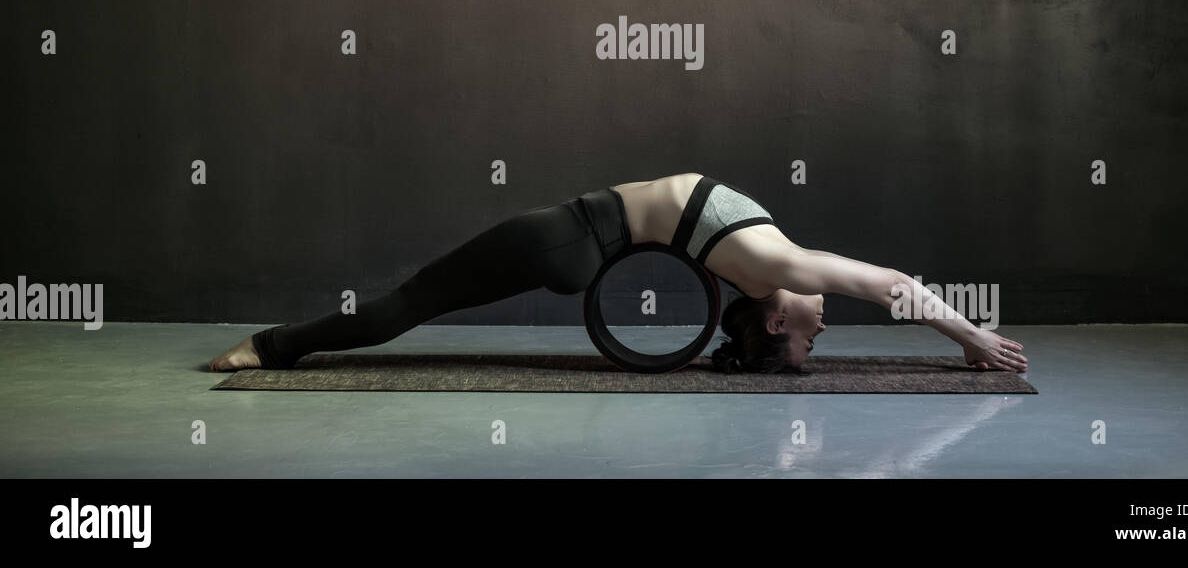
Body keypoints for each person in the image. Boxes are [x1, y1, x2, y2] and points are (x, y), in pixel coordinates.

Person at [208, 172, 1028, 374]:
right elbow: (886, 283)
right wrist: (969, 335)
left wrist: (965, 338)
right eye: (814, 341)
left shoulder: (772, 271)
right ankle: (274, 347)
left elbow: (884, 285)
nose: (825, 327)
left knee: (409, 304)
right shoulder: (773, 262)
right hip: (567, 241)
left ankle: (272, 347)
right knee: (406, 304)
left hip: (570, 242)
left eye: (814, 341)